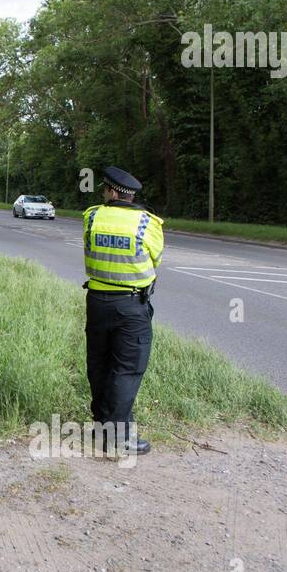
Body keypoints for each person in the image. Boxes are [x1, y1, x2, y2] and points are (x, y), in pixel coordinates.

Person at [82, 166, 164, 456]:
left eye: (104, 189)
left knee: (99, 364)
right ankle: (118, 437)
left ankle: (103, 425)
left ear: (111, 192)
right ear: (129, 195)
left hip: (97, 301)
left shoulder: (91, 216)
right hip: (131, 306)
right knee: (127, 369)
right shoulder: (148, 223)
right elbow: (155, 258)